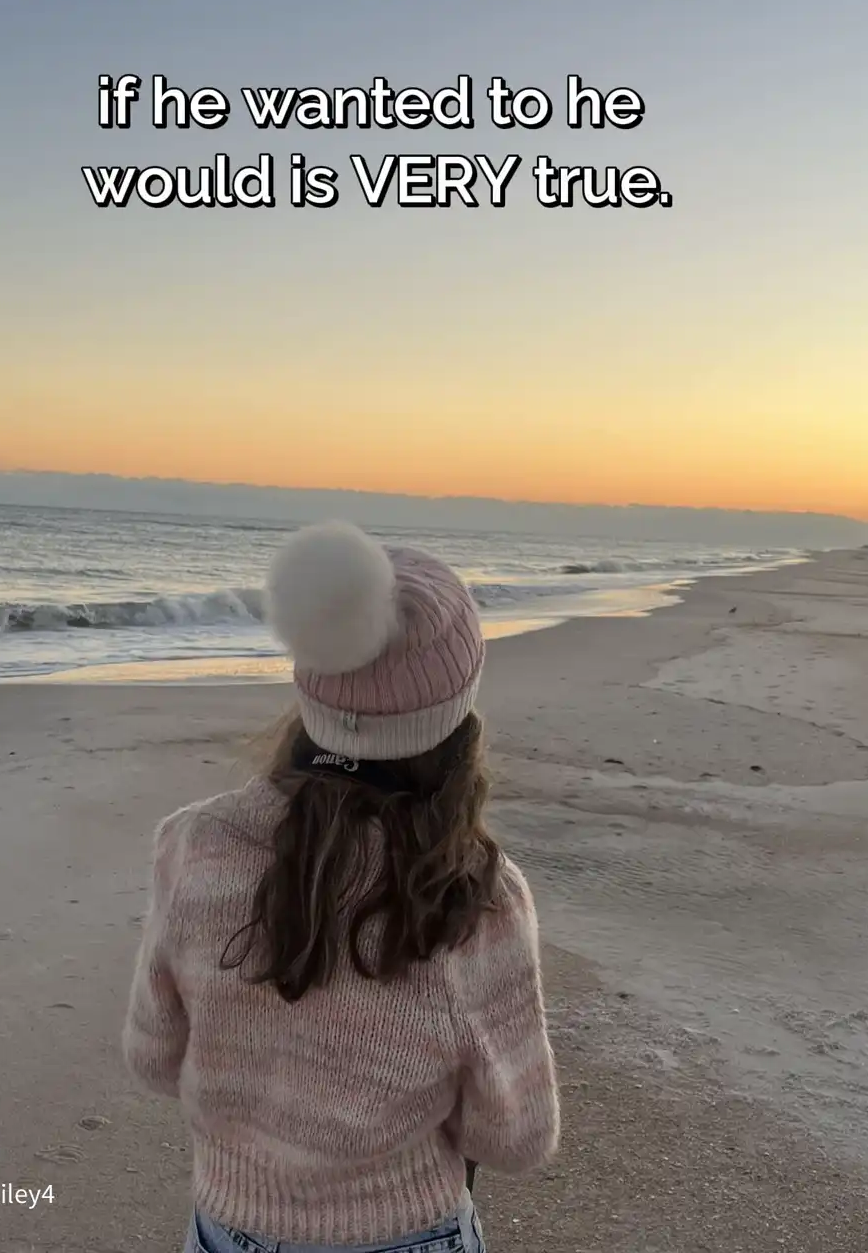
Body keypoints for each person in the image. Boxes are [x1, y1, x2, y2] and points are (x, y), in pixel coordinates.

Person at [123, 522, 560, 1253]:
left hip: (228, 1230)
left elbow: (153, 1059)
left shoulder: (193, 846)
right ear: (457, 715)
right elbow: (516, 1137)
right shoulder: (477, 899)